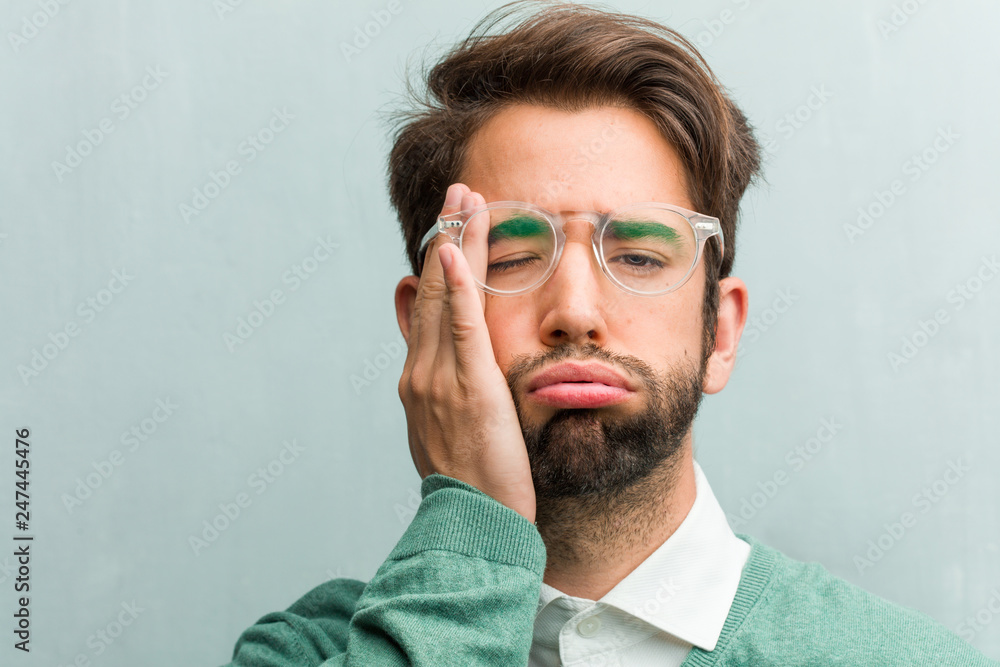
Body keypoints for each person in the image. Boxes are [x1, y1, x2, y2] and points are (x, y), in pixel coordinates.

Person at [221, 2, 998, 665]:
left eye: (638, 254)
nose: (576, 309)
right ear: (422, 321)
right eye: (512, 256)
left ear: (720, 331)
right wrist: (471, 540)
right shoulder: (310, 650)